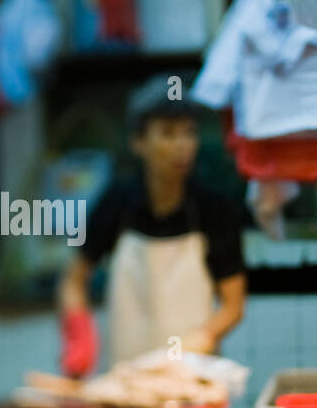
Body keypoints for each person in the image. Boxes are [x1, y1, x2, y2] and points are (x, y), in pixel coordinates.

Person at [58, 75, 246, 376]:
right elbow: (74, 280)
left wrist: (198, 341)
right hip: (126, 379)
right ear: (139, 142)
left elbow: (233, 306)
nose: (181, 145)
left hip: (193, 376)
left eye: (189, 133)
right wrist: (79, 335)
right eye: (168, 134)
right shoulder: (116, 203)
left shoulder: (215, 209)